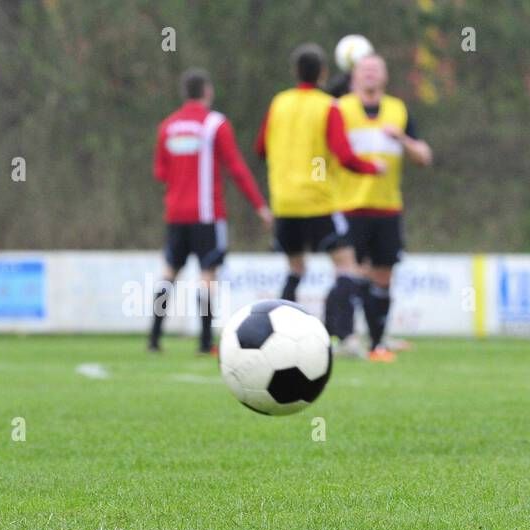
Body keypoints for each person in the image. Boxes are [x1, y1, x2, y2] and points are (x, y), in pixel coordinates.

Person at [255, 43, 384, 346]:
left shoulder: (279, 103)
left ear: (295, 72)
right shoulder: (329, 106)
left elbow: (260, 149)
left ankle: (275, 338)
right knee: (346, 266)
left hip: (284, 202)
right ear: (323, 73)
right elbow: (344, 155)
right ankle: (340, 334)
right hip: (317, 201)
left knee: (296, 269)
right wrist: (371, 167)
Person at [152, 68, 271, 353]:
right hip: (206, 215)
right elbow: (236, 168)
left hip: (175, 215)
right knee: (207, 275)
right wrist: (260, 205)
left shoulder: (167, 126)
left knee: (169, 273)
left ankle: (153, 339)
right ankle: (205, 343)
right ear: (207, 91)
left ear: (184, 93)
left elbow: (160, 172)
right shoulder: (215, 124)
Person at [333, 53, 432, 362]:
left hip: (387, 208)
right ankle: (346, 339)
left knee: (383, 278)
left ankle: (377, 345)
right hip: (348, 206)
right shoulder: (340, 109)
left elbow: (424, 157)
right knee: (349, 274)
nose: (370, 74)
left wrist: (401, 138)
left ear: (385, 77)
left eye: (376, 69)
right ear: (354, 76)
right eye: (365, 69)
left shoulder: (398, 110)